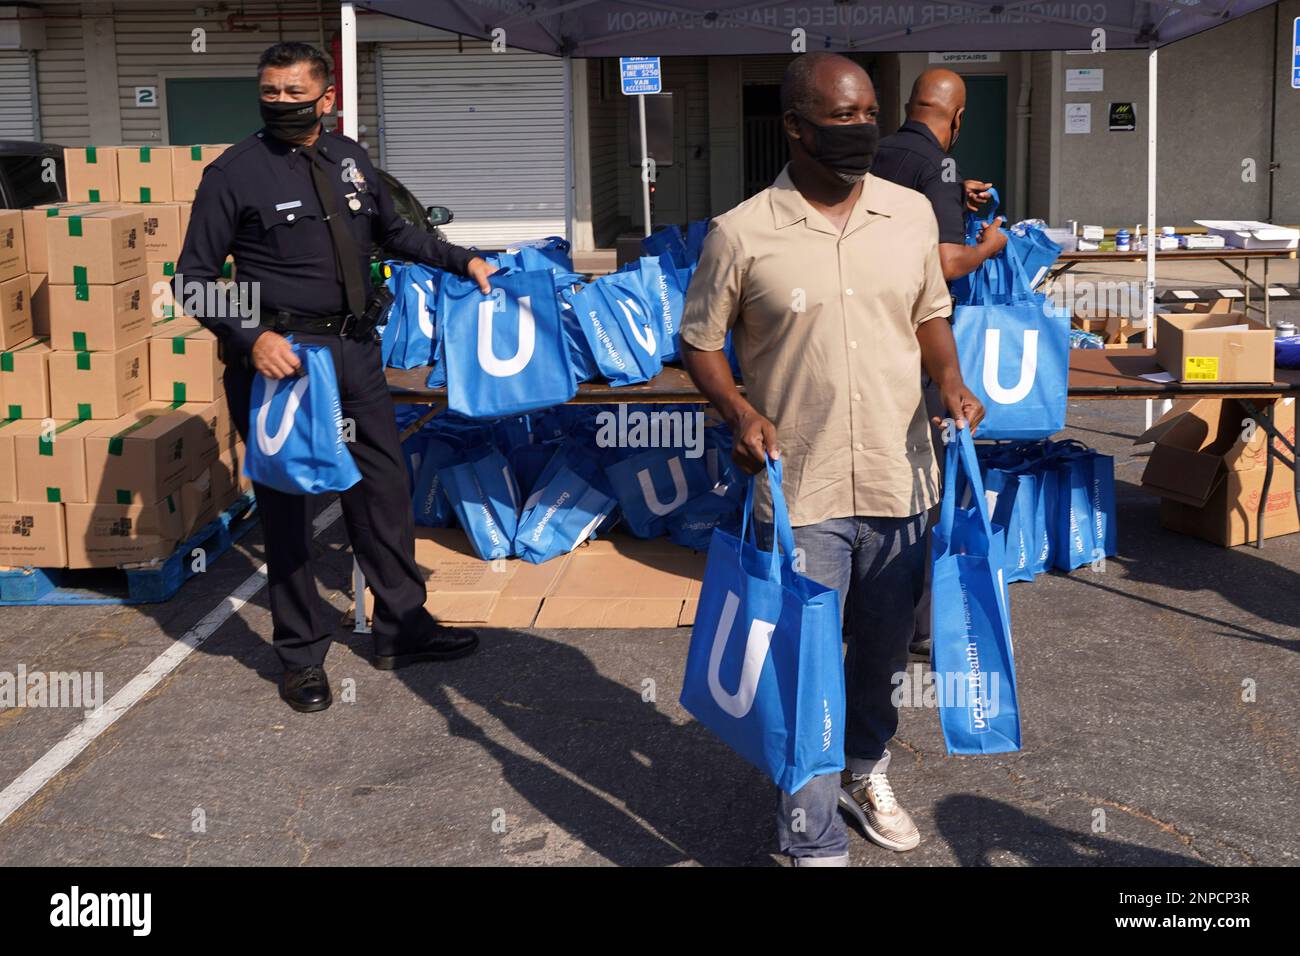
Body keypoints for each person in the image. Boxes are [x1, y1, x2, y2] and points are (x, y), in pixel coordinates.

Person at [679, 52, 984, 866]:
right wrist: (739, 409)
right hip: (801, 491)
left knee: (882, 655)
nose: (860, 131)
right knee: (805, 668)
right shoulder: (741, 233)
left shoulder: (912, 215)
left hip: (901, 473)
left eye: (867, 114)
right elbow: (700, 343)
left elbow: (930, 313)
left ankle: (864, 769)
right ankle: (808, 833)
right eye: (841, 119)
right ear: (795, 126)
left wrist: (950, 380)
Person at [176, 42, 494, 713]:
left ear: (327, 98)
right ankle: (300, 655)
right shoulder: (233, 173)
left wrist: (462, 260)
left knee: (382, 492)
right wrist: (250, 336)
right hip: (283, 363)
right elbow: (194, 281)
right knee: (288, 511)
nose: (282, 104)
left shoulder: (350, 159)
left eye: (296, 94)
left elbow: (396, 233)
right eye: (271, 92)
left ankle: (402, 627)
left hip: (354, 356)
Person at [873, 67, 1007, 658]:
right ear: (957, 119)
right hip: (917, 343)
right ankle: (919, 628)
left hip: (863, 340)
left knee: (867, 482)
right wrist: (988, 247)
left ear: (909, 107)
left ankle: (859, 611)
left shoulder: (876, 154)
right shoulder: (941, 166)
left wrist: (953, 190)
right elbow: (949, 261)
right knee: (921, 483)